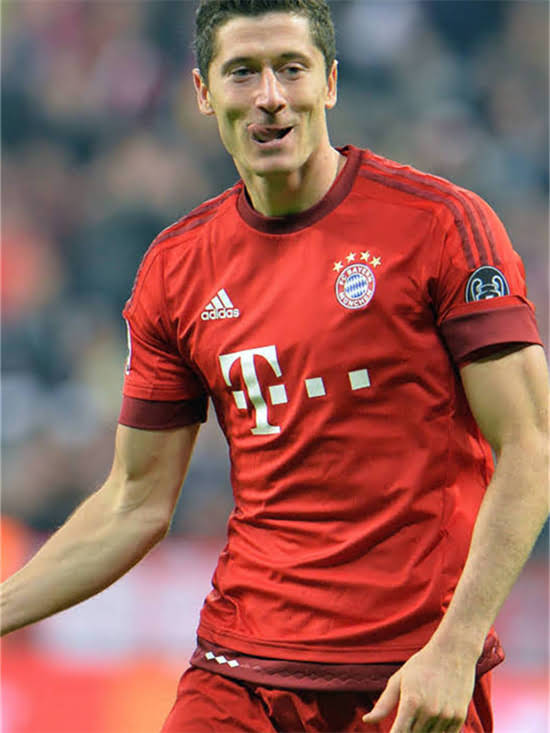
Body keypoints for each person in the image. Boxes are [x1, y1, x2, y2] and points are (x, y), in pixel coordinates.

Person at [1, 1, 548, 731]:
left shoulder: (442, 224)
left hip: (407, 676)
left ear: (330, 82)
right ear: (203, 92)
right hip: (240, 671)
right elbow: (134, 502)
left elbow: (531, 445)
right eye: (243, 72)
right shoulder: (177, 268)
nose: (269, 96)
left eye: (291, 69)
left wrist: (456, 647)